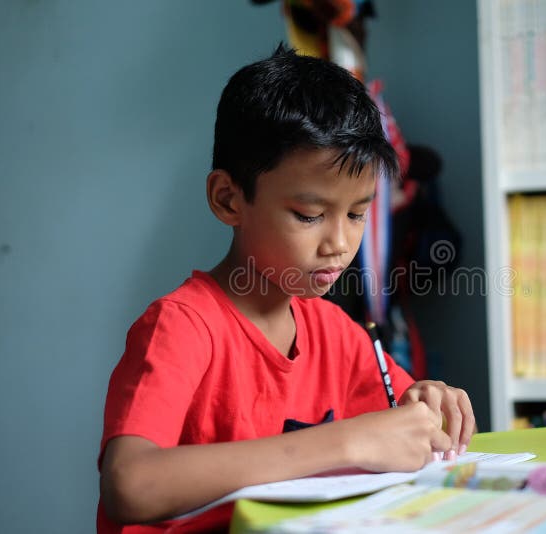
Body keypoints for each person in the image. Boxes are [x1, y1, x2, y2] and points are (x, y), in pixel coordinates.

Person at [97, 45, 475, 533]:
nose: (339, 244)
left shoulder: (337, 333)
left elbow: (410, 425)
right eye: (310, 215)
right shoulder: (182, 328)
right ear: (228, 199)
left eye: (358, 214)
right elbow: (130, 484)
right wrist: (343, 443)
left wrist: (430, 404)